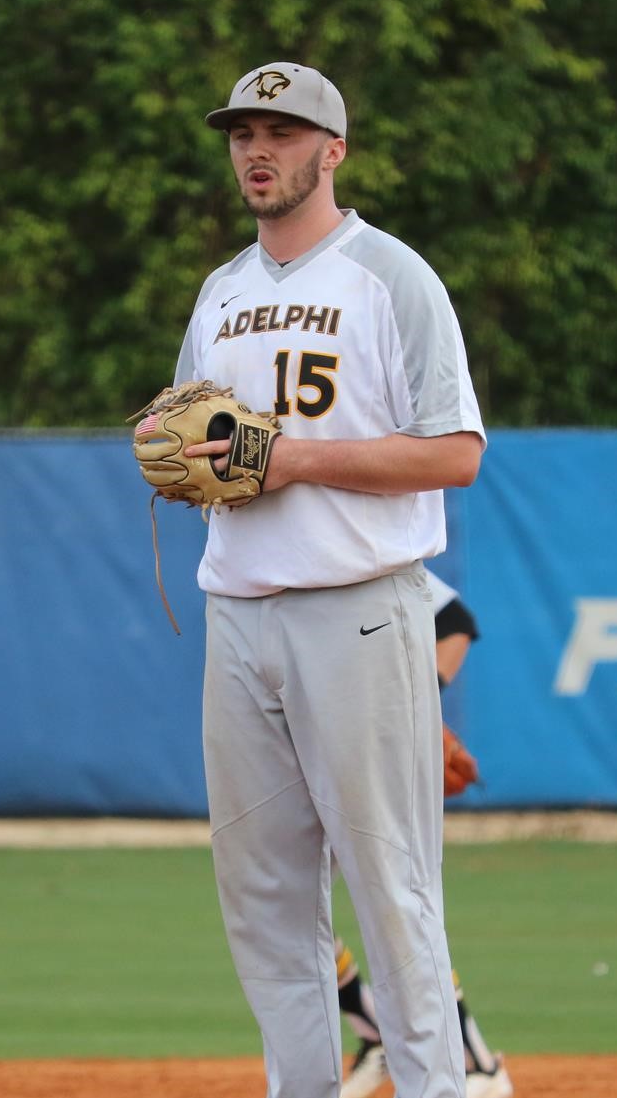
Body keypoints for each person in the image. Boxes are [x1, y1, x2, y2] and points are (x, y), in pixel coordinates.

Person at [171, 62, 486, 1098]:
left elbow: (455, 451)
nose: (257, 150)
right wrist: (177, 459)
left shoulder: (389, 277)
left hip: (357, 612)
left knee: (391, 890)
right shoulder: (219, 293)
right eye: (242, 133)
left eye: (282, 131)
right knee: (262, 902)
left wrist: (293, 458)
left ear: (333, 149)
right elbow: (198, 440)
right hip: (238, 615)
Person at [338, 568, 512, 1098]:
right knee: (282, 909)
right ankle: (375, 1032)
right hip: (305, 747)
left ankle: (479, 1064)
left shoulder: (361, 549)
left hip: (376, 753)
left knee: (400, 912)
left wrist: (421, 705)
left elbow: (455, 621)